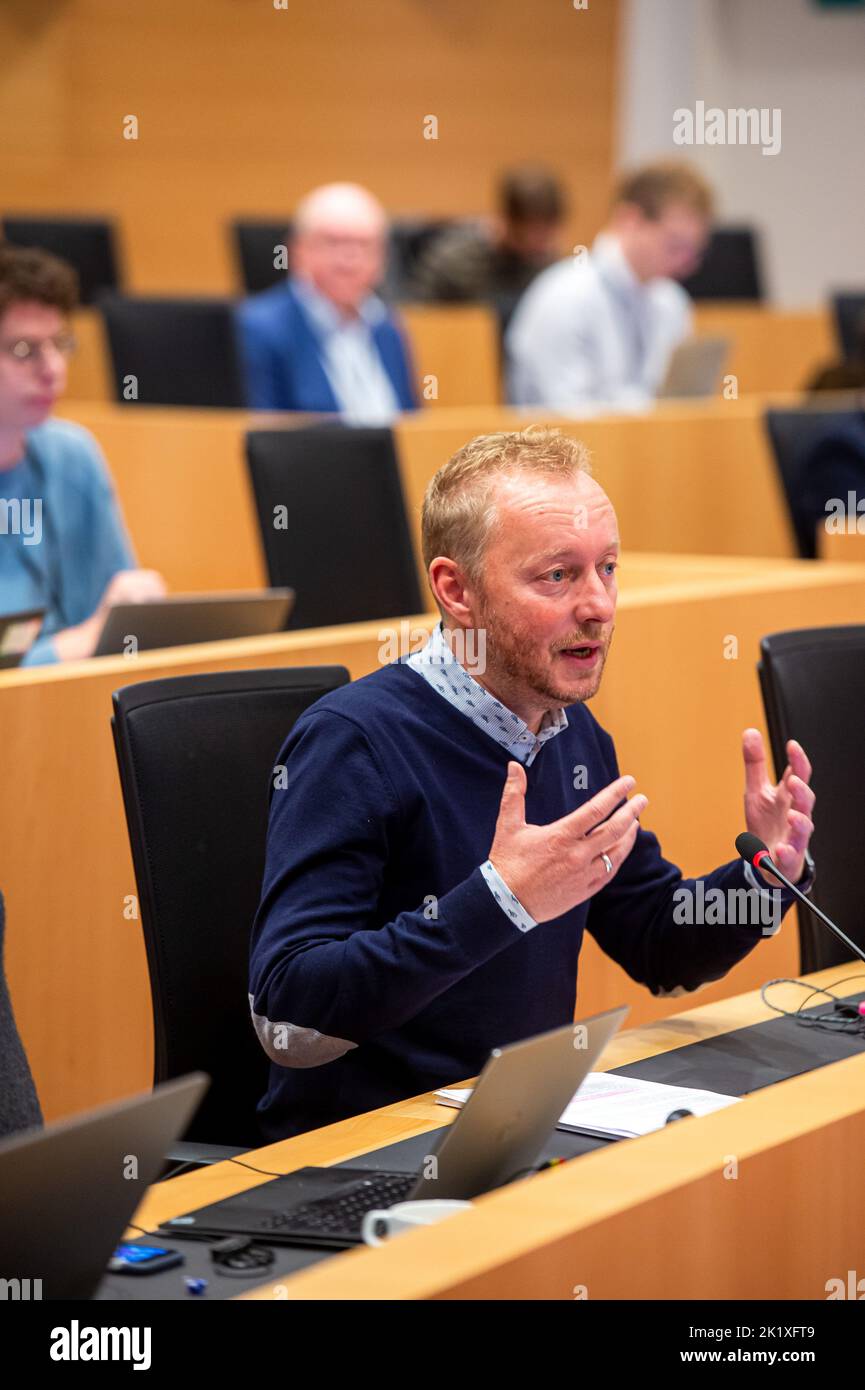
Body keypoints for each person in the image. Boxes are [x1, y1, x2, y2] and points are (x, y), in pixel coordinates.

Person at [249, 426, 816, 1140]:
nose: (599, 605)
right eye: (557, 575)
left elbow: (655, 944)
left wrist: (761, 880)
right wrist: (499, 899)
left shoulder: (571, 734)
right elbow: (287, 1018)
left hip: (515, 1133)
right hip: (364, 1152)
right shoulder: (353, 740)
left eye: (606, 568)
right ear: (456, 590)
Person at [0, 246, 165, 665]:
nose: (53, 368)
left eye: (60, 344)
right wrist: (83, 640)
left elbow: (119, 615)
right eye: (24, 350)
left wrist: (137, 612)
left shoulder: (72, 454)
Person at [506, 161, 713, 410]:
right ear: (630, 220)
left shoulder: (671, 301)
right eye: (675, 245)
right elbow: (563, 417)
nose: (686, 264)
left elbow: (675, 405)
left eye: (694, 251)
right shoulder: (564, 296)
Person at [236, 183, 418, 421]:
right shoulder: (258, 328)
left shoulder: (388, 327)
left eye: (364, 245)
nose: (349, 259)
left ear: (382, 258)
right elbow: (266, 439)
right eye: (333, 242)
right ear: (299, 249)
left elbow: (413, 426)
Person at [409, 164, 566, 331]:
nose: (540, 245)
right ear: (506, 220)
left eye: (547, 236)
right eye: (533, 235)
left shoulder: (549, 268)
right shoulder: (453, 261)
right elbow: (420, 319)